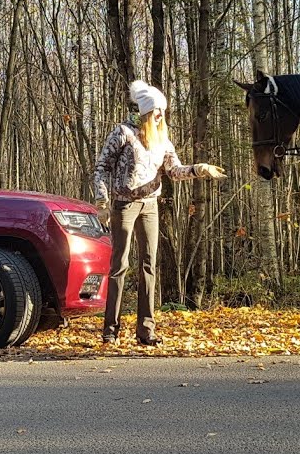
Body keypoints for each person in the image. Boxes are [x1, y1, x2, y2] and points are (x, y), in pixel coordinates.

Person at [92, 80, 226, 346]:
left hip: (150, 206)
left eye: (163, 111)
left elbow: (174, 171)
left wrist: (199, 169)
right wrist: (102, 202)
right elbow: (100, 168)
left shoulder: (163, 141)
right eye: (155, 111)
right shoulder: (123, 133)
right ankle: (111, 329)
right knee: (120, 265)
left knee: (148, 266)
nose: (160, 115)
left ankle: (146, 330)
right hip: (124, 205)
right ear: (144, 111)